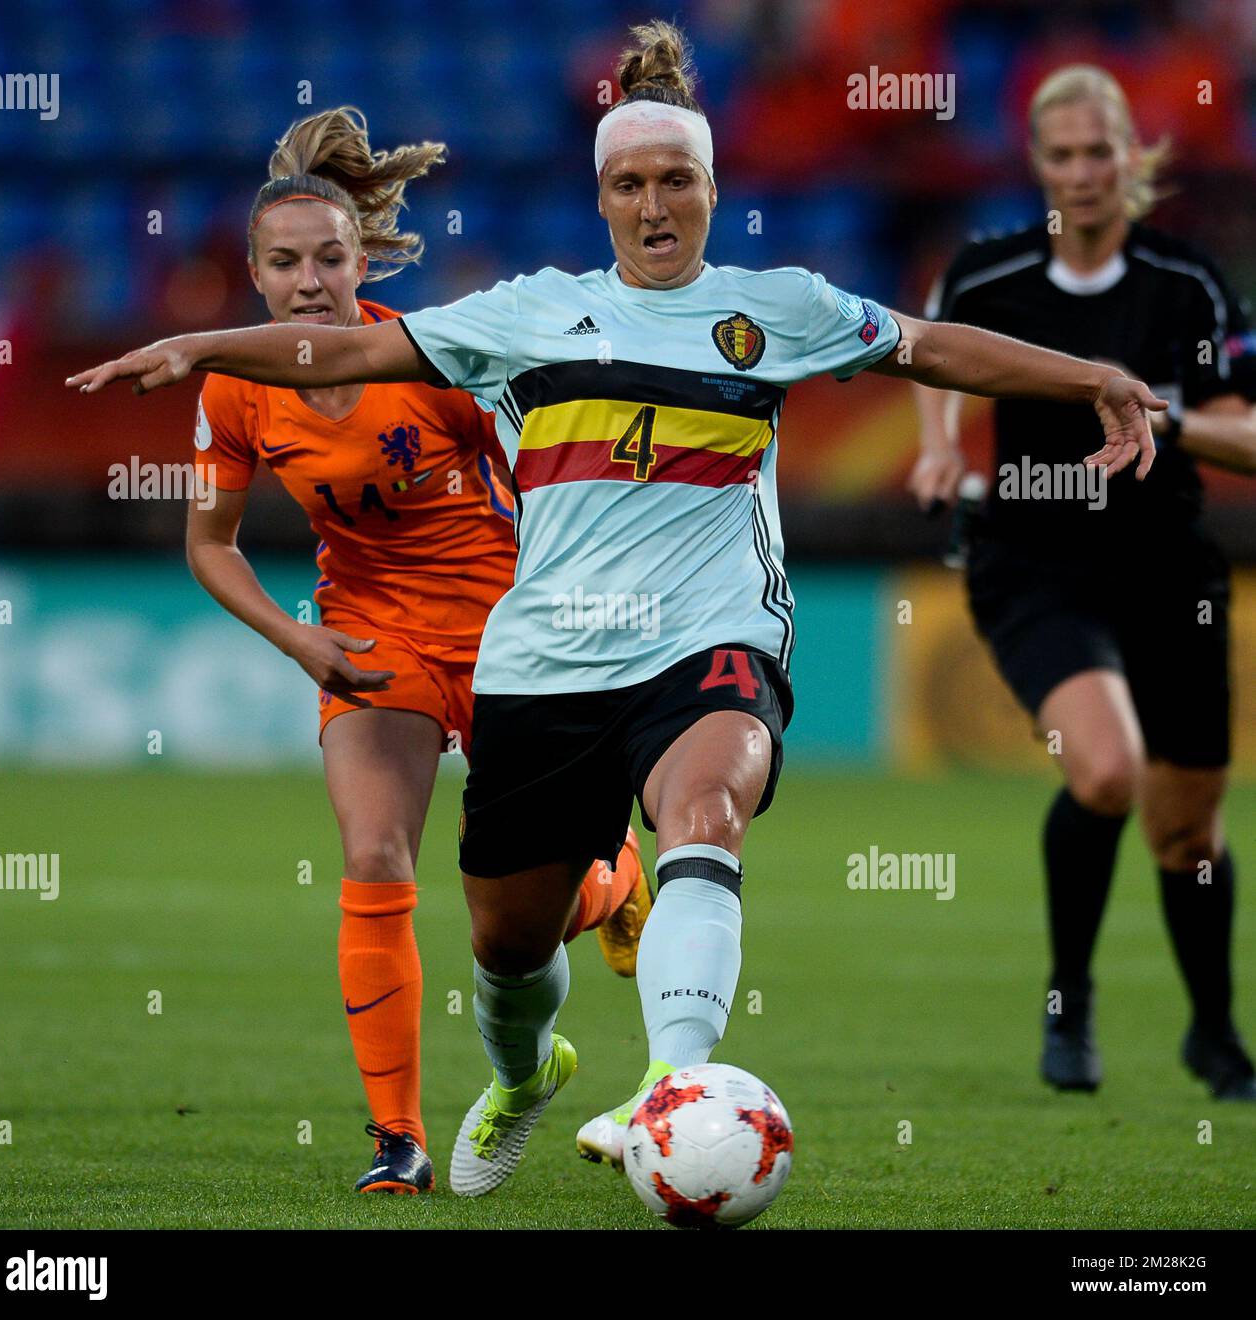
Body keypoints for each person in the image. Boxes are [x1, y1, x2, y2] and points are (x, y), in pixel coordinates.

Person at [68, 21, 1165, 1198]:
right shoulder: (524, 315)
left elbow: (933, 347)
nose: (654, 204)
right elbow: (330, 359)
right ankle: (526, 1073)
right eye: (629, 184)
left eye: (676, 180)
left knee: (706, 806)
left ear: (709, 189)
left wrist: (1089, 375)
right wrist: (195, 344)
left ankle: (672, 1087)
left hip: (708, 638)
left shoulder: (775, 308)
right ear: (600, 200)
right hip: (545, 663)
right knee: (506, 945)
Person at [184, 106, 651, 1195]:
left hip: (507, 637)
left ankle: (614, 878)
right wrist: (301, 638)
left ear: (363, 263)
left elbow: (549, 488)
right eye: (286, 262)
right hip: (371, 641)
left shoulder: (436, 360)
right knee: (375, 857)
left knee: (516, 906)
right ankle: (398, 1141)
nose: (310, 282)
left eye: (330, 259)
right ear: (254, 275)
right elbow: (210, 544)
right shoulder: (236, 387)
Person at [910, 65, 1256, 1100]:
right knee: (1106, 773)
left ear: (1130, 158)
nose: (1081, 172)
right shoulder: (985, 275)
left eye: (1097, 152)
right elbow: (924, 357)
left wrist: (1171, 421)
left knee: (1188, 826)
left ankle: (1211, 1032)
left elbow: (1246, 434)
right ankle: (1069, 1000)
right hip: (1033, 568)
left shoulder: (1186, 285)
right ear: (1035, 165)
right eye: (1058, 155)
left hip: (1169, 573)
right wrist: (936, 448)